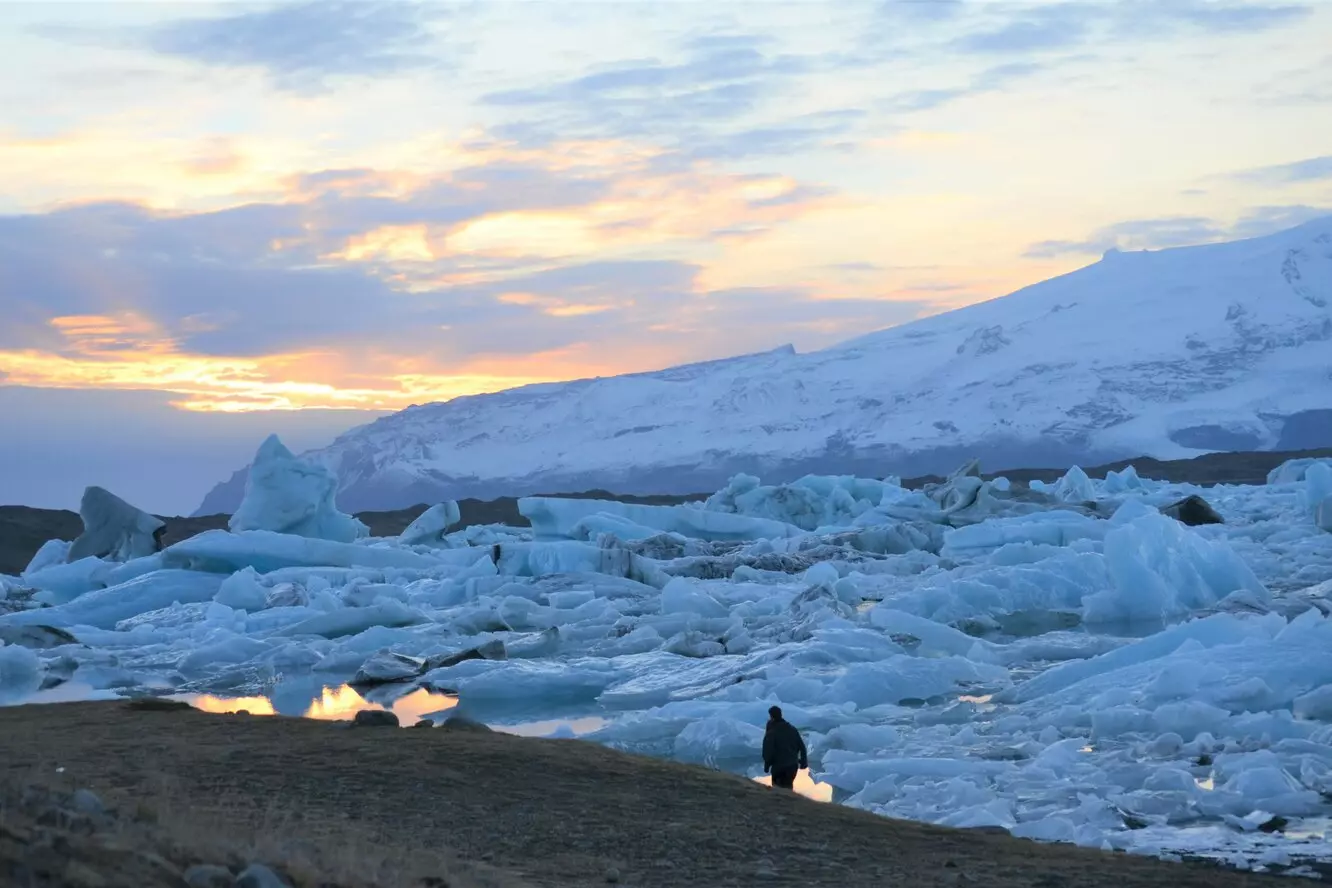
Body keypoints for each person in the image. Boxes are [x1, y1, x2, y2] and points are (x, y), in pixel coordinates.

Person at [762, 705, 808, 790]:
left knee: (778, 791)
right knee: (788, 789)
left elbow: (768, 750)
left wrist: (767, 765)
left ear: (771, 716)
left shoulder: (772, 731)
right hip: (792, 766)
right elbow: (802, 746)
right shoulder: (792, 729)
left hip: (779, 767)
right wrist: (804, 762)